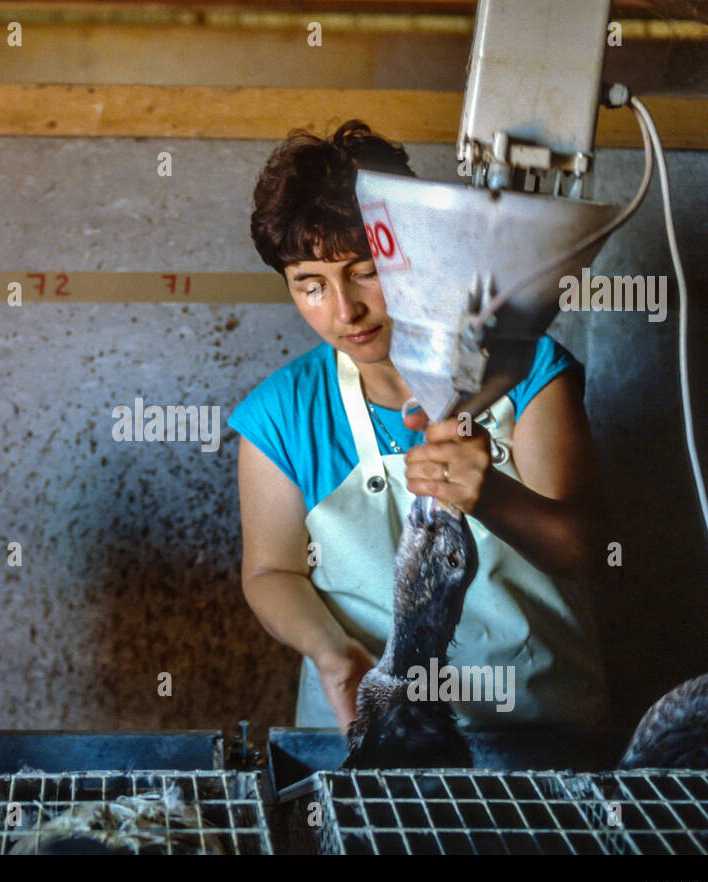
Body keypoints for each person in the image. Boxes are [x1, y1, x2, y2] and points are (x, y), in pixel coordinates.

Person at [230, 119, 608, 733]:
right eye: (310, 285)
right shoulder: (280, 412)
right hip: (367, 731)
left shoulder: (526, 367)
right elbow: (272, 572)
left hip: (537, 729)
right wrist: (329, 652)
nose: (344, 309)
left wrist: (493, 496)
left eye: (364, 271)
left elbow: (588, 551)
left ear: (415, 253)